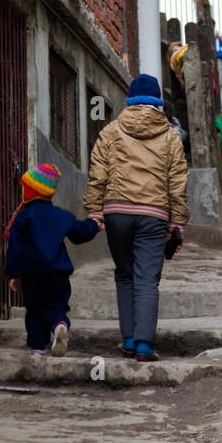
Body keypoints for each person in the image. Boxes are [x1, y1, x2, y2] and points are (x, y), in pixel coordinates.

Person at [84, 73, 189, 362]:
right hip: (153, 216)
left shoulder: (111, 131)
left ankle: (128, 339)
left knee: (124, 274)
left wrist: (95, 211)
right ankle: (144, 345)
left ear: (130, 101)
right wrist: (177, 221)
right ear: (158, 103)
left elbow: (98, 174)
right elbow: (177, 182)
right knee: (146, 279)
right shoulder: (170, 136)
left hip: (116, 213)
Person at [4, 162, 100, 356]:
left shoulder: (23, 218)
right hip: (58, 273)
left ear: (31, 191)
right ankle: (59, 325)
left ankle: (38, 347)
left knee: (35, 309)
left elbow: (15, 248)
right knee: (56, 305)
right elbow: (79, 233)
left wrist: (13, 273)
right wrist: (94, 225)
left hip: (32, 274)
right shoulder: (61, 215)